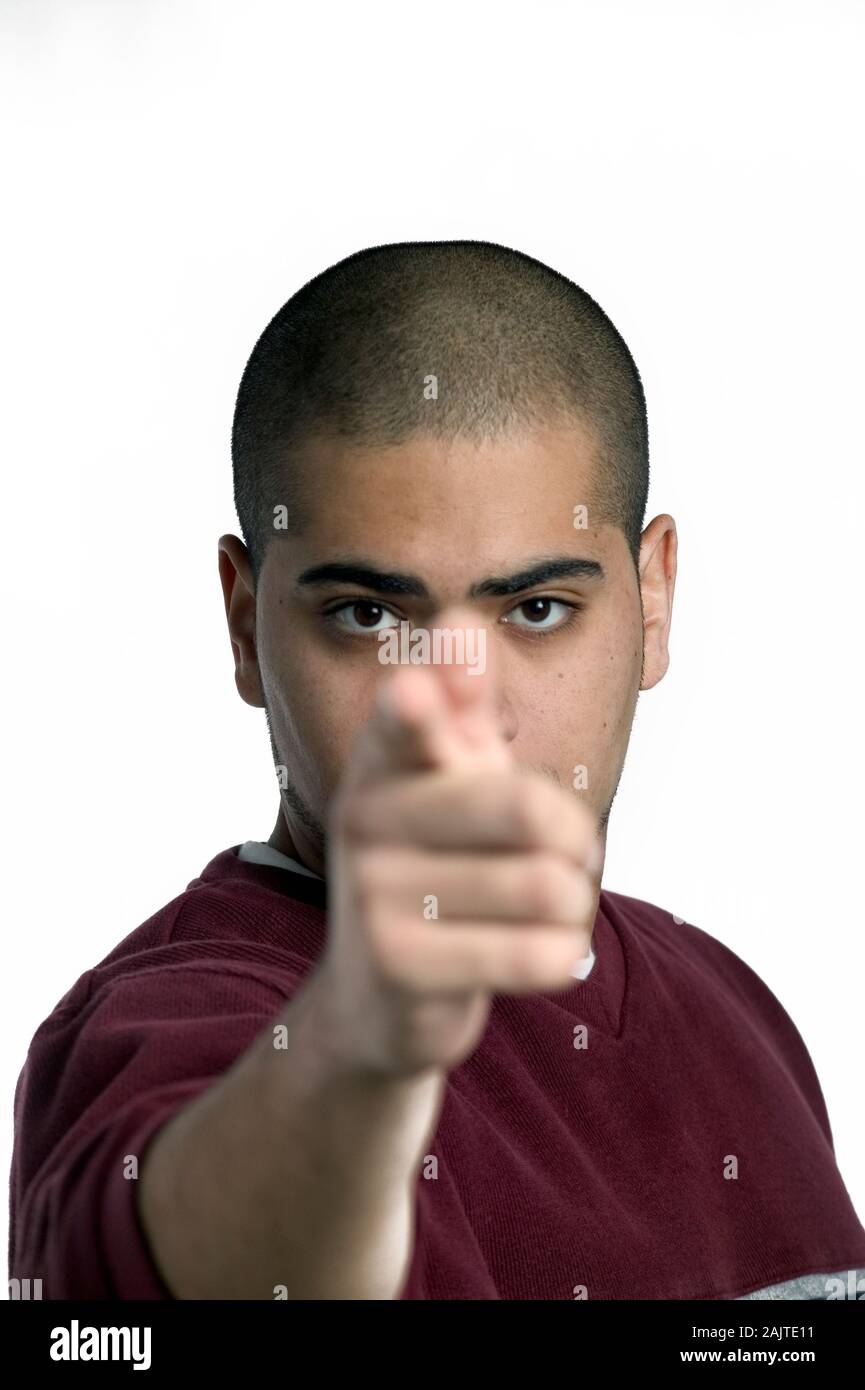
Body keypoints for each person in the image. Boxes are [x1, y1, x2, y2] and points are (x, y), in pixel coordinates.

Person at [9, 241, 865, 1299]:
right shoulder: (185, 1023)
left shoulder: (734, 1010)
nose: (461, 708)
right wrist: (360, 1042)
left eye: (538, 609)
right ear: (244, 623)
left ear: (651, 603)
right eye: (369, 616)